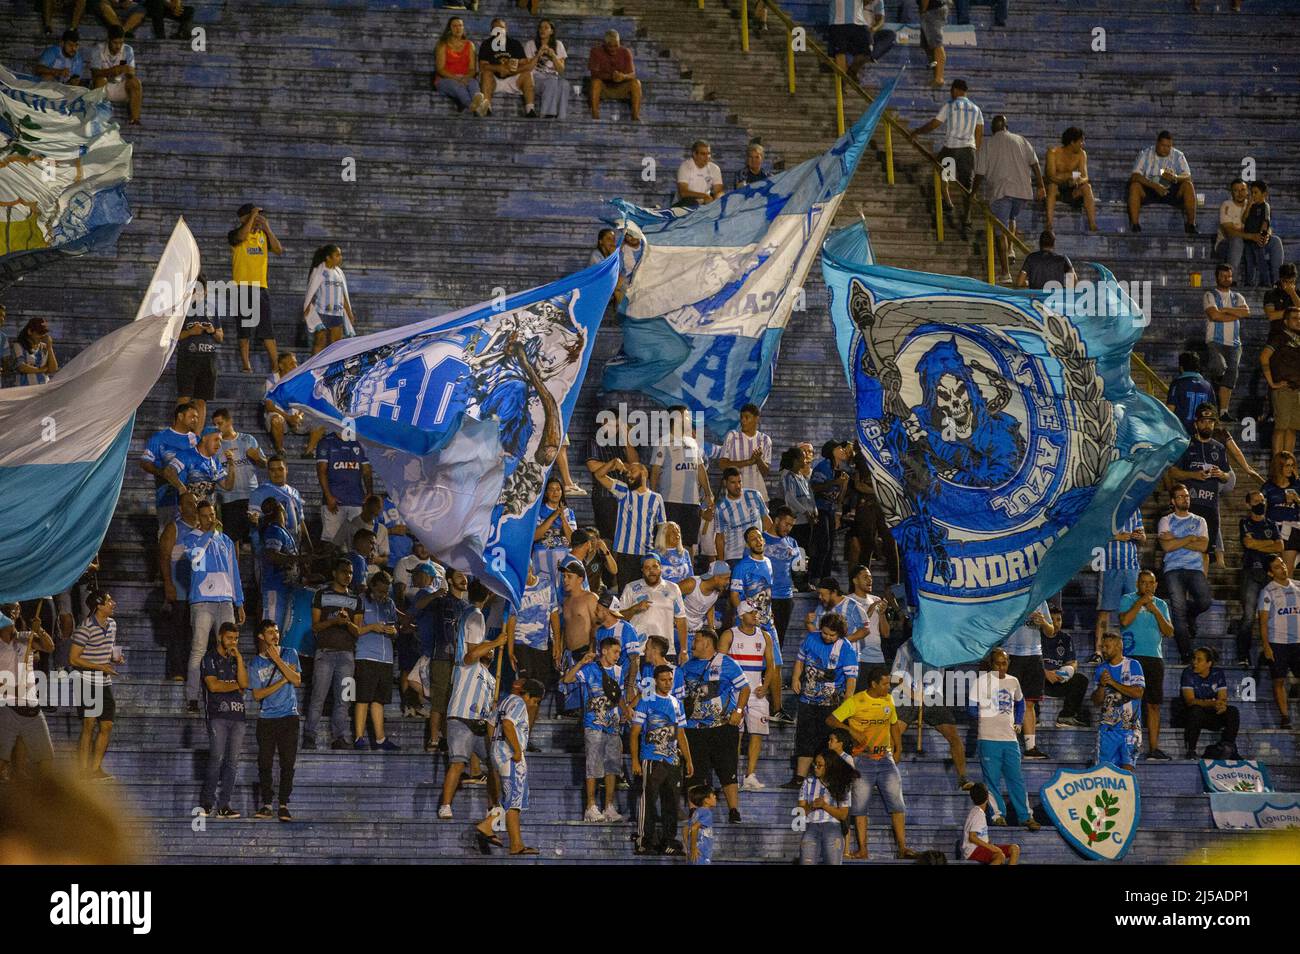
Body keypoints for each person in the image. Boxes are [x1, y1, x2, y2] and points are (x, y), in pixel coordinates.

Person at [826, 665, 919, 858]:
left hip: (885, 757)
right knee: (860, 808)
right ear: (873, 684)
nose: (888, 687)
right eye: (885, 684)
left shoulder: (888, 699)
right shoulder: (856, 701)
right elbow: (831, 720)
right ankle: (863, 850)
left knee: (897, 805)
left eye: (888, 683)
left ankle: (902, 848)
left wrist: (899, 747)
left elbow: (893, 724)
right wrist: (851, 731)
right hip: (862, 760)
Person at [439, 582, 508, 818]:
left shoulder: (488, 677)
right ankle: (446, 805)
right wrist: (497, 642)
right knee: (458, 763)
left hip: (478, 723)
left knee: (496, 762)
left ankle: (494, 806)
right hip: (460, 717)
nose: (488, 651)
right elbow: (470, 654)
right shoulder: (475, 618)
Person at [677, 629, 750, 822]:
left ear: (708, 643)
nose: (693, 643)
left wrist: (739, 711)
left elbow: (745, 688)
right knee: (694, 772)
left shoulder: (727, 663)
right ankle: (694, 811)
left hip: (723, 727)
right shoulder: (686, 667)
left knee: (728, 769)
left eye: (697, 640)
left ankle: (733, 810)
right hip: (694, 728)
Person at [183, 500, 245, 715]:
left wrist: (240, 601)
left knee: (229, 648)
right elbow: (195, 559)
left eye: (212, 514)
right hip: (202, 600)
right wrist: (209, 533)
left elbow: (233, 571)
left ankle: (229, 693)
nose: (211, 518)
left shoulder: (226, 540)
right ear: (199, 518)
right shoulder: (192, 538)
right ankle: (192, 697)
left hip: (225, 600)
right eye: (206, 516)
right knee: (199, 648)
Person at [969, 649, 1040, 829]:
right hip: (988, 738)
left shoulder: (1013, 681)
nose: (1001, 667)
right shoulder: (981, 682)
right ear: (991, 664)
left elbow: (1021, 703)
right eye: (997, 663)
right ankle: (997, 815)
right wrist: (985, 716)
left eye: (1004, 663)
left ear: (1008, 663)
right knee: (991, 780)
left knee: (1016, 778)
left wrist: (1017, 722)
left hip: (1010, 740)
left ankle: (1025, 816)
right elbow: (970, 707)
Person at [785, 614, 858, 790]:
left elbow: (851, 679)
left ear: (839, 634)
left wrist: (846, 703)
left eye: (832, 635)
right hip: (807, 700)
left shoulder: (847, 649)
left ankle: (828, 779)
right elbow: (800, 661)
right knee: (804, 739)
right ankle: (799, 779)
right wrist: (795, 678)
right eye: (825, 633)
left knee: (828, 741)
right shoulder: (811, 638)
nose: (827, 637)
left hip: (831, 705)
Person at [474, 678, 546, 856]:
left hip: (500, 754)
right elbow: (507, 724)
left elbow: (491, 724)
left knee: (513, 801)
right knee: (513, 799)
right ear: (528, 695)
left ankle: (516, 844)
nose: (533, 705)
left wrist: (495, 747)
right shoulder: (519, 702)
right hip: (510, 756)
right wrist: (515, 750)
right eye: (534, 701)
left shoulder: (506, 700)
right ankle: (489, 826)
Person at [563, 636, 631, 822]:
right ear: (604, 651)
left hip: (613, 725)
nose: (618, 655)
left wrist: (627, 712)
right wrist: (581, 662)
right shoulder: (590, 669)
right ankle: (590, 807)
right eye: (615, 652)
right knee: (593, 766)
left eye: (619, 652)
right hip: (593, 724)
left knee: (612, 767)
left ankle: (609, 806)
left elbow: (620, 695)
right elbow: (567, 679)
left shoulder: (618, 671)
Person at [890, 642, 972, 791]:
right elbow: (895, 678)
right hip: (908, 697)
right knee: (892, 735)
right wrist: (913, 694)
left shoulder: (940, 644)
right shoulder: (905, 648)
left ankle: (962, 778)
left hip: (933, 698)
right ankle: (885, 776)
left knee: (954, 736)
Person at [973, 114, 1043, 283]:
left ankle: (1005, 273)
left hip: (1001, 192)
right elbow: (1035, 163)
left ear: (992, 129)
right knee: (1012, 217)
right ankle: (1011, 249)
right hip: (1022, 192)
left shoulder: (988, 144)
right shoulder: (1020, 140)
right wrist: (1041, 186)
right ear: (1006, 126)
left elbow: (980, 173)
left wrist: (972, 192)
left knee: (999, 232)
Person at [630, 665, 692, 855]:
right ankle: (644, 840)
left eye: (670, 679)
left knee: (671, 802)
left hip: (672, 761)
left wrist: (688, 760)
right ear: (656, 680)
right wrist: (635, 760)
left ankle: (669, 841)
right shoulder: (647, 702)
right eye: (664, 680)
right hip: (652, 758)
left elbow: (681, 734)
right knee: (648, 800)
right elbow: (634, 733)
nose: (668, 683)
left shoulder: (676, 703)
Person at [913, 79, 983, 237]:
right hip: (968, 151)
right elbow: (979, 133)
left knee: (941, 167)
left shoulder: (950, 105)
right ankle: (967, 220)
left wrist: (917, 131)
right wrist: (974, 151)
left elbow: (934, 124)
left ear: (956, 90)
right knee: (968, 187)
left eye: (952, 90)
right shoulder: (976, 109)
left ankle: (948, 200)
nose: (950, 93)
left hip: (951, 148)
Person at [304, 558, 362, 750]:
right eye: (344, 571)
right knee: (318, 697)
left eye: (351, 572)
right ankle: (309, 735)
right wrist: (333, 622)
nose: (348, 575)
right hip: (324, 654)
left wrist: (347, 623)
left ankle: (340, 737)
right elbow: (315, 626)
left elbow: (358, 631)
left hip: (347, 657)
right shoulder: (321, 594)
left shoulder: (356, 599)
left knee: (344, 699)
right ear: (334, 573)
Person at [1118, 569, 1175, 760]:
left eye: (1151, 583)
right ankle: (1127, 748)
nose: (1147, 586)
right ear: (1137, 584)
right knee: (1129, 704)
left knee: (1153, 704)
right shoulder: (1127, 599)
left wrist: (1155, 609)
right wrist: (1140, 603)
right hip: (1132, 658)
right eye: (1143, 583)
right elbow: (1124, 621)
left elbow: (1168, 631)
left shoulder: (1161, 604)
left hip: (1154, 659)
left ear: (1156, 585)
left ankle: (1153, 749)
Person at [248, 620, 301, 822]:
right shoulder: (255, 663)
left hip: (289, 716)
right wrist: (282, 679)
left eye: (276, 631)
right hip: (267, 719)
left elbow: (296, 680)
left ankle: (284, 804)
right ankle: (267, 803)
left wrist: (278, 660)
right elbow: (257, 695)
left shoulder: (290, 653)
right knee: (265, 762)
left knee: (288, 762)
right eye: (270, 632)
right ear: (261, 636)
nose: (275, 635)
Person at [720, 601, 776, 791]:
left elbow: (771, 665)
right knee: (735, 733)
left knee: (757, 733)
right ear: (741, 615)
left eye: (757, 612)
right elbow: (719, 664)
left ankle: (750, 775)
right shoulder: (730, 634)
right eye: (752, 613)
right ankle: (733, 774)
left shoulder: (765, 636)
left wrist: (766, 685)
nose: (756, 615)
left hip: (757, 692)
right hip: (735, 693)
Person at [1169, 404, 1230, 569]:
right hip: (1189, 505)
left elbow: (1227, 476)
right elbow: (1173, 472)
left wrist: (1221, 474)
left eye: (1211, 422)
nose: (1207, 425)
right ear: (1196, 423)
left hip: (1210, 506)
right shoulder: (1186, 445)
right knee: (1184, 547)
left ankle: (1200, 589)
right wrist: (1193, 475)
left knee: (1205, 551)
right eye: (1203, 421)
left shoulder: (1219, 447)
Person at [198, 622, 248, 818]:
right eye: (229, 638)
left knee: (233, 761)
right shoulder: (209, 657)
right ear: (220, 637)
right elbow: (214, 686)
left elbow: (245, 684)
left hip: (238, 715)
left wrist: (240, 659)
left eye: (236, 638)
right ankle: (207, 802)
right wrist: (236, 685)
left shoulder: (237, 660)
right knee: (216, 758)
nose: (232, 642)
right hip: (217, 714)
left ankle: (224, 805)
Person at [1158, 484, 1212, 663]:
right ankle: (1186, 653)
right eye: (1181, 496)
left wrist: (1177, 540)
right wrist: (1190, 538)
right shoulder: (1166, 520)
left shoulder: (1200, 521)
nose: (1185, 499)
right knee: (1178, 611)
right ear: (1173, 501)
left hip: (1195, 568)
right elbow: (1166, 546)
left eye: (1187, 496)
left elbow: (1203, 546)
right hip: (1173, 569)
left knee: (1204, 602)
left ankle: (1192, 613)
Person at [0, 608, 56, 780]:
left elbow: (49, 647)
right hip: (6, 708)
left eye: (16, 607)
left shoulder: (26, 637)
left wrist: (40, 630)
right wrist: (10, 690)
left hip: (32, 708)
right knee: (1, 762)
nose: (13, 610)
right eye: (9, 606)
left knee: (46, 760)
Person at [228, 203, 283, 373]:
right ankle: (246, 365)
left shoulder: (262, 236)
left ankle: (276, 365)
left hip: (261, 287)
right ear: (244, 218)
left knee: (267, 328)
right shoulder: (235, 235)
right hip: (242, 287)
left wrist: (266, 227)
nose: (259, 218)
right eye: (255, 215)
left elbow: (278, 249)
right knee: (244, 329)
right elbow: (241, 236)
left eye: (259, 215)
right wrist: (251, 218)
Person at [70, 591, 119, 780]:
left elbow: (109, 647)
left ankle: (95, 768)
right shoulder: (86, 628)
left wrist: (116, 658)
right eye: (109, 601)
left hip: (104, 681)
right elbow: (73, 658)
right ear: (98, 605)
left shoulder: (113, 624)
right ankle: (83, 770)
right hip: (87, 681)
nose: (113, 603)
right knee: (89, 724)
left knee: (106, 725)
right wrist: (100, 666)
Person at [591, 461, 666, 586]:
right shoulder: (624, 491)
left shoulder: (656, 498)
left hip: (646, 554)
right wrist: (613, 462)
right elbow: (599, 475)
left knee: (645, 591)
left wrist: (660, 551)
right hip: (624, 553)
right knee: (625, 592)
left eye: (633, 471)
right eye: (628, 472)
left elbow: (662, 526)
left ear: (644, 473)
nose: (629, 474)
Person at [649, 407, 712, 550]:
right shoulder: (663, 442)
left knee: (689, 543)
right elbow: (655, 472)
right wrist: (653, 498)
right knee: (667, 541)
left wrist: (708, 493)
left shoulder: (691, 442)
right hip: (670, 501)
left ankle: (687, 571)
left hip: (692, 501)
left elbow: (700, 468)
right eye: (687, 416)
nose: (690, 419)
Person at [353, 571, 400, 750]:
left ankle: (380, 739)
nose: (383, 595)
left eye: (386, 591)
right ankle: (359, 737)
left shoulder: (390, 603)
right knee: (363, 698)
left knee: (379, 700)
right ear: (372, 586)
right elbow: (355, 629)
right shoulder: (361, 601)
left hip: (386, 658)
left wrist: (394, 632)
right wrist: (372, 627)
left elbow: (395, 628)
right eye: (380, 591)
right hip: (366, 655)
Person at [1239, 489, 1283, 667]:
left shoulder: (1271, 524)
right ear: (1248, 504)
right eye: (1256, 501)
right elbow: (1247, 543)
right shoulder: (1245, 522)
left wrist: (1258, 544)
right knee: (1249, 616)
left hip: (1269, 574)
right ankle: (1243, 654)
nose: (1260, 503)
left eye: (1262, 500)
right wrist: (1268, 544)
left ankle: (1270, 654)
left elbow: (1280, 546)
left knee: (1273, 616)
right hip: (1251, 573)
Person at [1093, 509, 1145, 662]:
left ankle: (1136, 650)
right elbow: (1093, 534)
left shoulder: (1135, 509)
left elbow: (1144, 538)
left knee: (1136, 609)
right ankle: (1098, 652)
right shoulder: (1106, 505)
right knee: (1105, 611)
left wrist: (1140, 537)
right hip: (1109, 566)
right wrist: (1116, 536)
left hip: (1132, 567)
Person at [1200, 264, 1250, 420]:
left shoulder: (1238, 296)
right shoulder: (1210, 295)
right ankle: (1216, 383)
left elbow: (1246, 312)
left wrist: (1225, 310)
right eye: (1223, 276)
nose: (1227, 279)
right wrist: (1235, 314)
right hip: (1215, 340)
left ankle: (1223, 412)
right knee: (1220, 367)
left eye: (1229, 276)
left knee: (1230, 375)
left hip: (1235, 343)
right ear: (1217, 277)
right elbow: (1214, 316)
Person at [211, 407, 265, 550]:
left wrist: (257, 458)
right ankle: (233, 571)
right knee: (231, 540)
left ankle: (258, 570)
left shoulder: (247, 439)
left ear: (230, 421)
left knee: (255, 538)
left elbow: (264, 464)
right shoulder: (216, 446)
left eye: (220, 423)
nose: (217, 427)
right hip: (228, 499)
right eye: (215, 424)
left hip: (251, 497)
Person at [1091, 632, 1146, 772]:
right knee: (1104, 773)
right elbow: (1096, 701)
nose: (1103, 650)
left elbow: (1138, 692)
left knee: (1128, 772)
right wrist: (1102, 686)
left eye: (1107, 646)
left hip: (1130, 729)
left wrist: (1112, 683)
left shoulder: (1133, 665)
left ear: (1118, 647)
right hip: (1107, 730)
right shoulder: (1100, 669)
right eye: (1102, 646)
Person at [1258, 555, 1300, 728]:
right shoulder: (1267, 591)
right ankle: (1284, 716)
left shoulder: (1298, 586)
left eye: (1282, 564)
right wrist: (1266, 646)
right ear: (1270, 572)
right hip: (1278, 642)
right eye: (1277, 566)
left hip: (1298, 641)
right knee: (1279, 680)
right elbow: (1263, 621)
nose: (1282, 568)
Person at [1127, 130, 1197, 234]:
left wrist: (1175, 177)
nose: (1166, 149)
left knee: (1188, 185)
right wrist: (1155, 186)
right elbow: (1135, 176)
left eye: (1169, 146)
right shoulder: (1145, 154)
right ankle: (1135, 225)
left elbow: (1188, 175)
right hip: (1150, 188)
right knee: (1134, 186)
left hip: (1171, 190)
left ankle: (1191, 225)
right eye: (1163, 146)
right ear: (1157, 143)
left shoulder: (1178, 155)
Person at [505, 566, 560, 692]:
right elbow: (511, 620)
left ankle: (533, 710)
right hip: (521, 643)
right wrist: (510, 650)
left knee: (540, 686)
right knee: (526, 683)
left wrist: (557, 644)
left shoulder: (547, 585)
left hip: (541, 644)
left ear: (530, 569)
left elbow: (554, 615)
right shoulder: (515, 590)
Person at [1180, 647, 1239, 760]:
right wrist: (1212, 703)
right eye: (1194, 659)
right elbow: (1190, 701)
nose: (1194, 662)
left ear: (1209, 663)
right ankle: (1191, 750)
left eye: (1199, 660)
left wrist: (1221, 705)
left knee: (1232, 711)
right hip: (1193, 715)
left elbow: (1222, 698)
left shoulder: (1218, 673)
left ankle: (1227, 747)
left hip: (1211, 713)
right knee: (1195, 710)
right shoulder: (1188, 673)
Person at [316, 430, 372, 546]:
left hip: (357, 501)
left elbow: (367, 471)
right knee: (331, 543)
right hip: (334, 502)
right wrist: (328, 497)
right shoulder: (325, 442)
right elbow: (321, 471)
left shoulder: (360, 442)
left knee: (359, 542)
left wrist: (369, 492)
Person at [262, 353, 324, 457]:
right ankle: (280, 449)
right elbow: (269, 406)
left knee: (321, 420)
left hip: (296, 418)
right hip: (279, 416)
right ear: (281, 366)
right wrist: (288, 417)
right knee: (277, 420)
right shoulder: (272, 380)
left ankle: (308, 452)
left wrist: (299, 415)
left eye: (295, 363)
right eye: (291, 364)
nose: (295, 366)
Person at [798, 751, 854, 865]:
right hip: (812, 827)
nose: (816, 767)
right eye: (815, 764)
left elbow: (843, 815)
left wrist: (825, 806)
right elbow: (800, 812)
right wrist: (811, 806)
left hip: (833, 827)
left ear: (829, 766)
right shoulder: (808, 782)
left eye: (820, 765)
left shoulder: (842, 784)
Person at [477, 17, 537, 118]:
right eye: (496, 29)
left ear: (506, 29)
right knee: (486, 73)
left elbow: (524, 64)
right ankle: (487, 108)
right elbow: (483, 66)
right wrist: (499, 68)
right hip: (494, 81)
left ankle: (530, 109)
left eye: (502, 28)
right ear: (491, 31)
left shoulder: (514, 43)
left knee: (527, 74)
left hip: (513, 79)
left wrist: (510, 71)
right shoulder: (486, 44)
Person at [302, 245, 358, 352]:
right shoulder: (319, 271)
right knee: (320, 342)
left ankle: (333, 368)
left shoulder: (339, 273)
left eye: (340, 255)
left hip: (337, 313)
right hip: (322, 312)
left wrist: (349, 312)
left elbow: (344, 294)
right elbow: (311, 291)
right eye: (337, 255)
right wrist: (307, 306)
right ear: (328, 257)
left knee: (336, 345)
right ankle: (315, 368)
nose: (340, 258)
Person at [1261, 307, 1300, 457]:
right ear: (1286, 321)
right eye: (1295, 318)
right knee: (1281, 427)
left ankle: (1288, 464)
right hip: (1282, 388)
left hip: (1297, 389)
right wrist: (1272, 383)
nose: (1298, 322)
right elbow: (1264, 357)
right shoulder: (1278, 337)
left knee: (1292, 428)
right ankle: (1277, 464)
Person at [809, 440, 851, 579]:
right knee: (823, 545)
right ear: (832, 451)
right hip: (820, 509)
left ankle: (825, 578)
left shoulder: (838, 470)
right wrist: (835, 482)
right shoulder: (823, 466)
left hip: (831, 510)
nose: (843, 450)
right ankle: (815, 577)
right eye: (839, 448)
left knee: (830, 546)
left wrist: (843, 484)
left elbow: (839, 498)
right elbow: (815, 487)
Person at [1044, 127, 1098, 232]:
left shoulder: (1082, 154)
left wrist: (1077, 180)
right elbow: (1051, 176)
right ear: (1072, 142)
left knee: (1087, 187)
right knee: (1052, 187)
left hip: (1072, 189)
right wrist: (1070, 176)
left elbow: (1085, 177)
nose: (1083, 144)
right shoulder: (1053, 152)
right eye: (1081, 141)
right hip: (1056, 188)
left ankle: (1092, 224)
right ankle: (1049, 224)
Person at [1042, 607, 1089, 727]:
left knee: (1080, 679)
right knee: (1031, 675)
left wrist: (1063, 674)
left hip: (1058, 678)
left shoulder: (1066, 638)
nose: (1056, 623)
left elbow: (1072, 663)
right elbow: (1030, 662)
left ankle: (1066, 716)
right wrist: (1045, 673)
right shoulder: (1035, 637)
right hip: (1041, 680)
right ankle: (1035, 716)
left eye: (1058, 619)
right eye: (1051, 620)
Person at [89, 25, 141, 125]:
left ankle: (135, 118)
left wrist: (129, 71)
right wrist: (111, 71)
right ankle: (98, 117)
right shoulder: (98, 49)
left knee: (135, 82)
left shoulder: (127, 50)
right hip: (102, 86)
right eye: (115, 43)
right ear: (108, 40)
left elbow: (132, 72)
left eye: (121, 43)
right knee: (100, 80)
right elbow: (94, 73)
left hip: (119, 86)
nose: (118, 46)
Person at [720, 403, 772, 500]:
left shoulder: (765, 440)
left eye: (747, 417)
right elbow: (722, 465)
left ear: (756, 419)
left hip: (759, 496)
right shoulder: (732, 436)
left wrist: (758, 460)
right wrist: (749, 462)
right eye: (741, 417)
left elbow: (765, 473)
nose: (743, 421)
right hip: (735, 496)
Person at [434, 17, 486, 115]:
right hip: (446, 79)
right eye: (454, 26)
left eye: (460, 26)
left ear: (463, 28)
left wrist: (465, 78)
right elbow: (440, 69)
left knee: (473, 83)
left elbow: (472, 69)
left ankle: (478, 103)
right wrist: (457, 79)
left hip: (465, 78)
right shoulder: (442, 45)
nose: (458, 28)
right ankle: (474, 107)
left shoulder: (469, 45)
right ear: (449, 29)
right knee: (458, 87)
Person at [588, 29, 641, 122]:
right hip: (604, 87)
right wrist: (611, 76)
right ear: (604, 44)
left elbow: (632, 74)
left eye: (616, 45)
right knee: (595, 83)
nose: (613, 49)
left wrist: (623, 77)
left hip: (621, 86)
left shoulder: (625, 52)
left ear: (619, 43)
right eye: (610, 46)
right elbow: (594, 73)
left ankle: (635, 116)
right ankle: (595, 115)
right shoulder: (595, 51)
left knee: (636, 83)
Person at [961, 783, 1019, 865]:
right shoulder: (978, 814)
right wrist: (992, 848)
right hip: (973, 850)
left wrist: (991, 846)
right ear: (988, 797)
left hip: (981, 848)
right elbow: (972, 837)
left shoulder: (978, 811)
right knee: (1000, 856)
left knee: (1014, 848)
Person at [522, 18, 569, 119]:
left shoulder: (558, 44)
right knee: (552, 81)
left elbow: (561, 71)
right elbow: (528, 68)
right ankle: (547, 115)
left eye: (546, 27)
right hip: (535, 80)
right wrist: (538, 55)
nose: (542, 30)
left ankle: (561, 118)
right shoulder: (530, 44)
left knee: (564, 84)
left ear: (552, 31)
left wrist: (553, 56)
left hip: (553, 79)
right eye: (540, 27)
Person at [532, 476, 575, 583]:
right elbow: (535, 536)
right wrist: (554, 515)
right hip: (542, 553)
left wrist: (563, 518)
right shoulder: (537, 510)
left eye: (558, 489)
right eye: (551, 489)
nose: (555, 492)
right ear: (546, 493)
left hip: (564, 553)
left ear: (562, 492)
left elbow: (573, 540)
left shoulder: (569, 512)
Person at [1241, 180, 1282, 287]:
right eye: (1252, 193)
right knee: (1249, 262)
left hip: (1258, 239)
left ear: (1264, 194)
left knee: (1260, 261)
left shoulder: (1265, 206)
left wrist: (1262, 236)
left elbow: (1265, 222)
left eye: (1256, 193)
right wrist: (1249, 205)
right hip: (1248, 239)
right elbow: (1244, 220)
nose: (1253, 195)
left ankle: (1266, 282)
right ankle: (1249, 282)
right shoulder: (1251, 206)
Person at [678, 561, 730, 646]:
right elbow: (669, 596)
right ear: (716, 578)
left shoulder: (718, 590)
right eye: (726, 578)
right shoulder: (691, 584)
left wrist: (711, 628)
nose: (728, 582)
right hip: (679, 632)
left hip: (696, 632)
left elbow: (710, 605)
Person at [1166, 351, 1215, 434]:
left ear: (1181, 367)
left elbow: (1170, 410)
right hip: (1200, 434)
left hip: (1181, 434)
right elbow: (1212, 412)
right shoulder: (1208, 386)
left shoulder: (1177, 384)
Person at [675, 140, 724, 209]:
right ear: (694, 154)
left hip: (705, 202)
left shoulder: (715, 168)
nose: (707, 157)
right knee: (691, 202)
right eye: (703, 154)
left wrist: (718, 202)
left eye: (708, 153)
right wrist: (704, 196)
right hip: (685, 203)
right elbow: (683, 193)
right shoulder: (685, 166)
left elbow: (719, 191)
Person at [11, 318, 58, 387]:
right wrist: (41, 370)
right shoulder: (18, 346)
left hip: (42, 389)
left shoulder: (44, 346)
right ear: (30, 331)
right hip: (23, 390)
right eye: (39, 333)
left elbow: (53, 369)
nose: (42, 336)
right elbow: (21, 367)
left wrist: (50, 347)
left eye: (44, 333)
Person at [651, 522, 693, 587]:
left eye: (678, 531)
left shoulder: (685, 553)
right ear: (663, 534)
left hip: (684, 592)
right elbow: (651, 579)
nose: (677, 535)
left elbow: (691, 577)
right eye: (673, 532)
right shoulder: (655, 554)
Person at [918, 0, 948, 86]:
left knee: (936, 44)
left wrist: (923, 10)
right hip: (935, 8)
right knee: (929, 45)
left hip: (932, 10)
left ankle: (939, 78)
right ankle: (936, 74)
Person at [685, 784, 716, 865]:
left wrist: (688, 847)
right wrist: (693, 847)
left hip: (694, 852)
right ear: (706, 800)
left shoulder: (696, 812)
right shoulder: (707, 813)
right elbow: (694, 828)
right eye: (713, 795)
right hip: (701, 852)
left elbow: (685, 828)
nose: (715, 797)